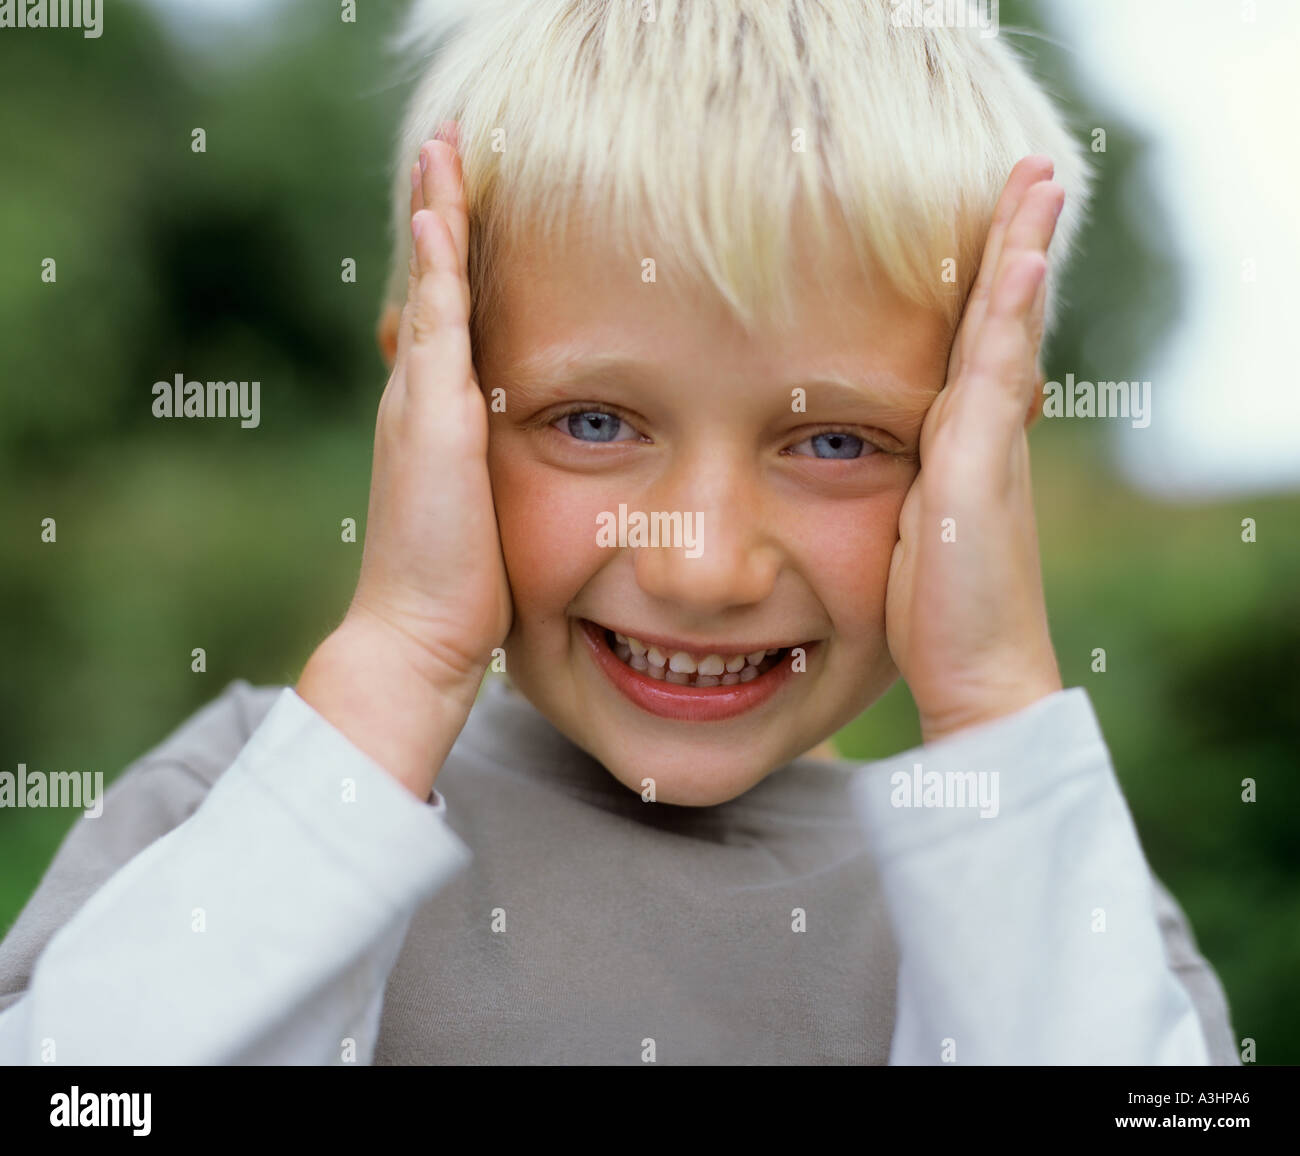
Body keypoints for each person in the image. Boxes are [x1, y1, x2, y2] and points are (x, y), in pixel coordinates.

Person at [0, 0, 1237, 1064]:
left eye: (836, 441)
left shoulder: (1064, 904)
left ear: (980, 463)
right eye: (592, 421)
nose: (701, 566)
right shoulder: (237, 807)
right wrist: (399, 665)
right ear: (425, 418)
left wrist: (992, 709)